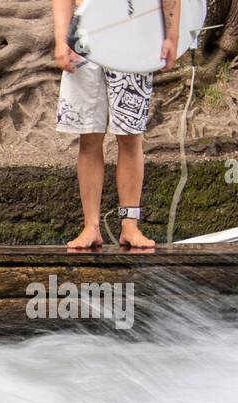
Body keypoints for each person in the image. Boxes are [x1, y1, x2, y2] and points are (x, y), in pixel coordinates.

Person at [53, 0, 180, 250]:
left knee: (130, 135)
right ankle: (91, 226)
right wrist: (61, 38)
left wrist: (171, 35)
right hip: (84, 35)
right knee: (89, 135)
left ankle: (130, 226)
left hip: (133, 32)